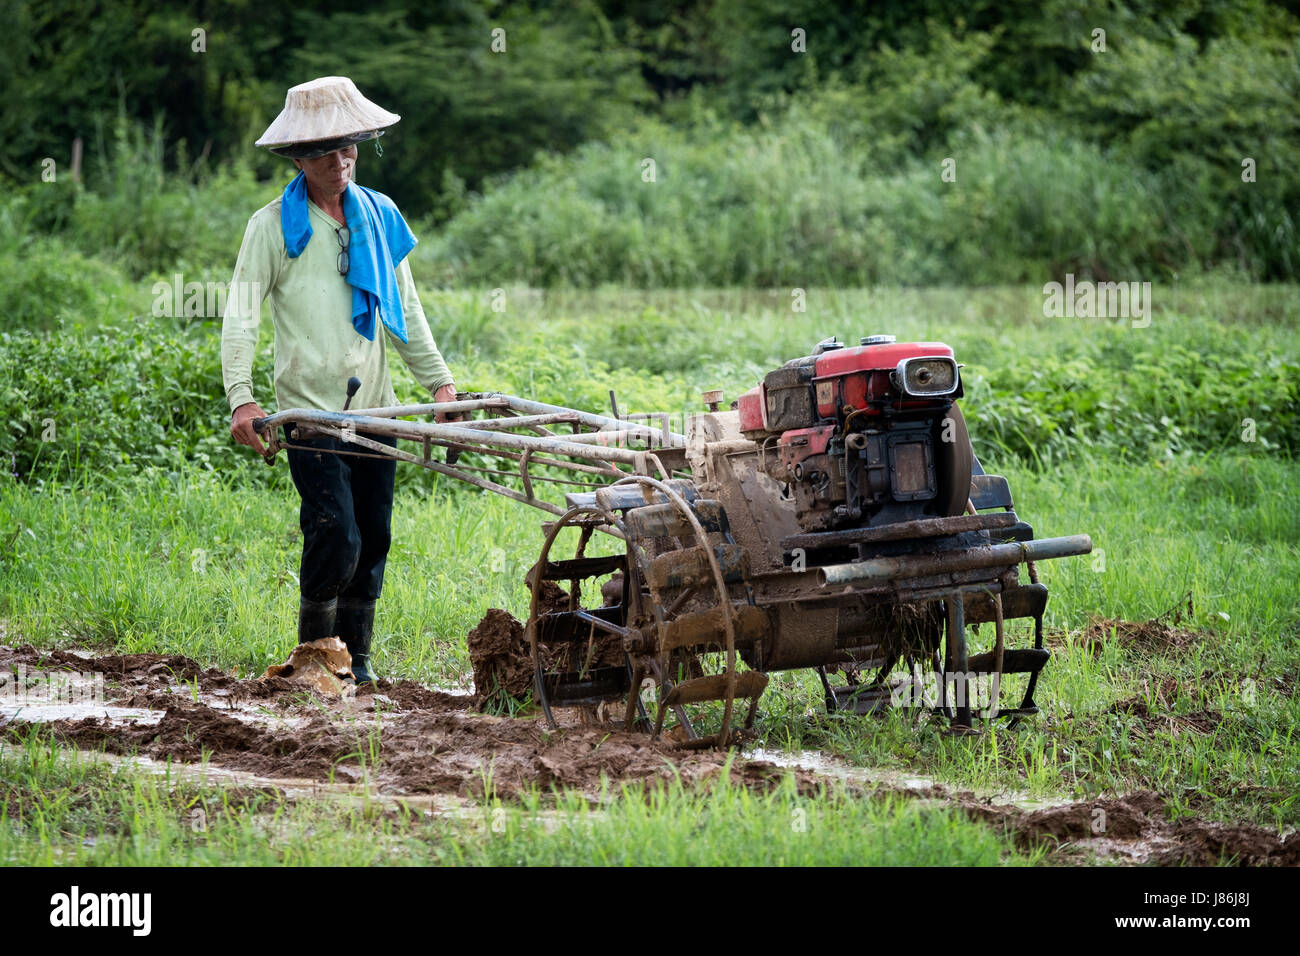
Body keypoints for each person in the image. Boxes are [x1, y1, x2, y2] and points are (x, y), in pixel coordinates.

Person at [221, 76, 457, 684]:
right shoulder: (271, 227)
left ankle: (360, 663)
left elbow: (406, 312)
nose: (340, 159)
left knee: (373, 538)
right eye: (324, 150)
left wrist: (440, 386)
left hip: (377, 411)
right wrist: (242, 399)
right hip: (308, 414)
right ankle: (314, 662)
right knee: (336, 533)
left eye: (348, 145)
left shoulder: (379, 216)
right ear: (298, 158)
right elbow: (242, 316)